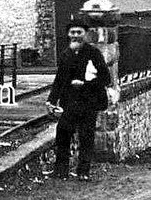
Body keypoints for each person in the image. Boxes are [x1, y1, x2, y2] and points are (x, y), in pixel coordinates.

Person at [46, 20, 112, 180]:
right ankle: (61, 171)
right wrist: (51, 100)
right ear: (68, 35)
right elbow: (59, 80)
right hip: (69, 103)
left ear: (85, 34)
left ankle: (83, 172)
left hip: (89, 102)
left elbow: (106, 78)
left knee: (86, 136)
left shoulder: (93, 53)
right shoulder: (66, 54)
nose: (75, 36)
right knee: (62, 134)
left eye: (79, 32)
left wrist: (85, 83)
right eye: (72, 33)